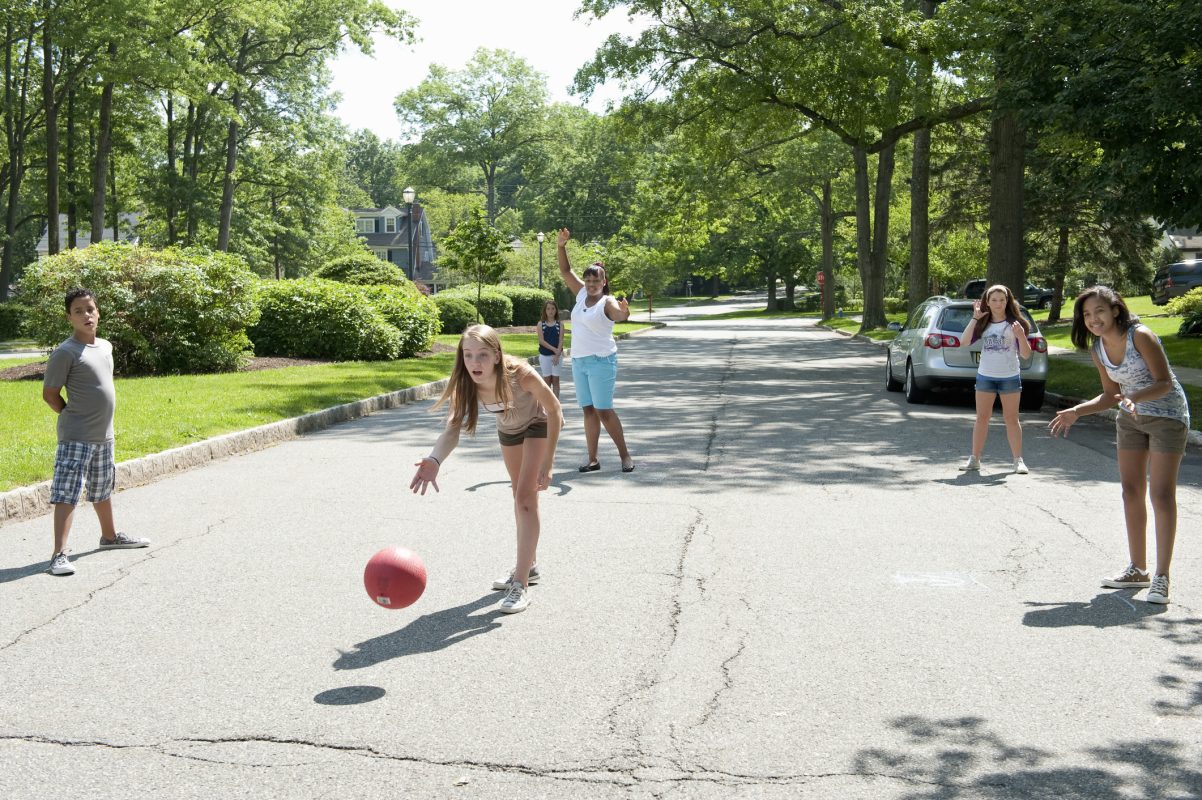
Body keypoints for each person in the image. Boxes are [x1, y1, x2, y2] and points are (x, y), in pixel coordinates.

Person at [1049, 286, 1190, 605]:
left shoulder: (1141, 336)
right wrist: (1077, 411)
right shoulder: (1098, 348)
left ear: (1115, 310)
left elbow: (1164, 382)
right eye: (1086, 314)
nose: (1092, 319)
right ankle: (1137, 569)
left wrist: (1134, 397)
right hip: (1130, 417)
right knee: (1130, 490)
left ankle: (1162, 577)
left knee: (1162, 493)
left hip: (1167, 415)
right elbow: (1110, 394)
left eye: (1099, 311)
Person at [409, 324, 562, 614]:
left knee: (525, 499)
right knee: (518, 496)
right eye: (468, 355)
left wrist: (548, 461)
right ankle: (528, 566)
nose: (474, 363)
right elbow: (452, 431)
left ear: (496, 355)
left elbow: (555, 410)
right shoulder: (465, 383)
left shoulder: (520, 375)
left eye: (482, 355)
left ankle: (520, 585)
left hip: (538, 424)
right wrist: (434, 460)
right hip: (509, 430)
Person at [42, 288, 149, 576]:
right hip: (76, 436)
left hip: (104, 435)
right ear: (69, 317)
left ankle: (110, 537)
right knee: (68, 492)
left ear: (98, 312)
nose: (86, 315)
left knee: (102, 488)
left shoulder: (105, 347)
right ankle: (58, 555)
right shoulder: (65, 353)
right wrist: (69, 414)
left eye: (90, 309)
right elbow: (50, 394)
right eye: (78, 311)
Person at [556, 228, 635, 473]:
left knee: (603, 410)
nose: (591, 284)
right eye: (588, 280)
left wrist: (625, 312)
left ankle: (625, 456)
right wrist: (561, 246)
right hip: (579, 361)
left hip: (602, 361)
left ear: (604, 282)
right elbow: (565, 271)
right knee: (588, 410)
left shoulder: (606, 302)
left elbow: (619, 316)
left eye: (596, 281)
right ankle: (593, 459)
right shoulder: (581, 295)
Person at [957, 284, 1033, 473]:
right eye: (994, 300)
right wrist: (975, 318)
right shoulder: (983, 322)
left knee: (1011, 419)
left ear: (1008, 301)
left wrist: (1021, 336)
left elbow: (1025, 354)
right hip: (985, 377)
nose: (999, 303)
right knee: (982, 418)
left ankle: (1018, 460)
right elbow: (964, 342)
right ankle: (975, 459)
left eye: (1002, 299)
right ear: (987, 303)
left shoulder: (1016, 324)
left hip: (1009, 377)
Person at [536, 299, 564, 399]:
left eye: (553, 309)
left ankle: (556, 404)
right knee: (547, 380)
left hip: (557, 356)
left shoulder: (559, 324)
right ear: (545, 311)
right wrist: (554, 350)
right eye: (548, 309)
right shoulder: (541, 324)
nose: (550, 311)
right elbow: (541, 341)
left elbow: (561, 340)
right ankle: (548, 404)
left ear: (556, 310)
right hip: (545, 356)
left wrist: (557, 354)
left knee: (555, 380)